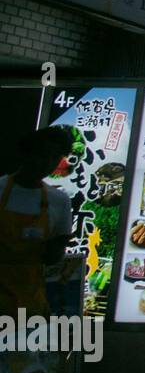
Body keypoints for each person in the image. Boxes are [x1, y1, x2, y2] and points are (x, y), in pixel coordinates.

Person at [1, 127, 76, 317]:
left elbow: (53, 259)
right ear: (26, 152)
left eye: (54, 158)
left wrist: (57, 249)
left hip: (30, 302)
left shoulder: (60, 201)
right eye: (42, 154)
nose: (46, 163)